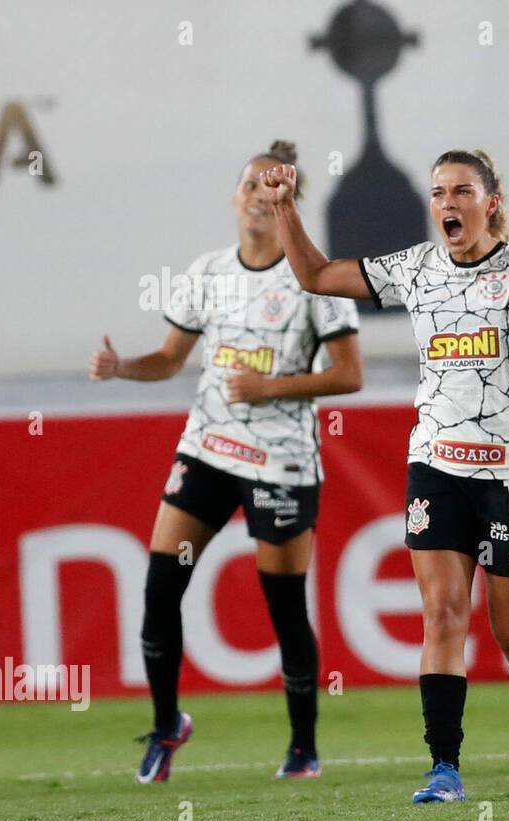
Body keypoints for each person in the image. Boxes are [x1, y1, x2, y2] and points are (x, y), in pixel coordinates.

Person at [262, 149, 509, 800]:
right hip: (437, 464)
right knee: (443, 615)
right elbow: (315, 276)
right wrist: (285, 207)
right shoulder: (415, 267)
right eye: (439, 192)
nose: (447, 202)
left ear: (490, 204)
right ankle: (444, 768)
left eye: (462, 191)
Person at [89, 140, 363, 782]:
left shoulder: (316, 279)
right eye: (249, 186)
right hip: (209, 450)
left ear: (289, 201)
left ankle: (302, 747)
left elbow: (350, 377)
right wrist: (121, 367)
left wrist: (270, 387)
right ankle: (165, 727)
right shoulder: (208, 272)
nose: (258, 198)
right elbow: (167, 360)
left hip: (280, 465)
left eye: (273, 189)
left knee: (284, 608)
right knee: (161, 589)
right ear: (235, 197)